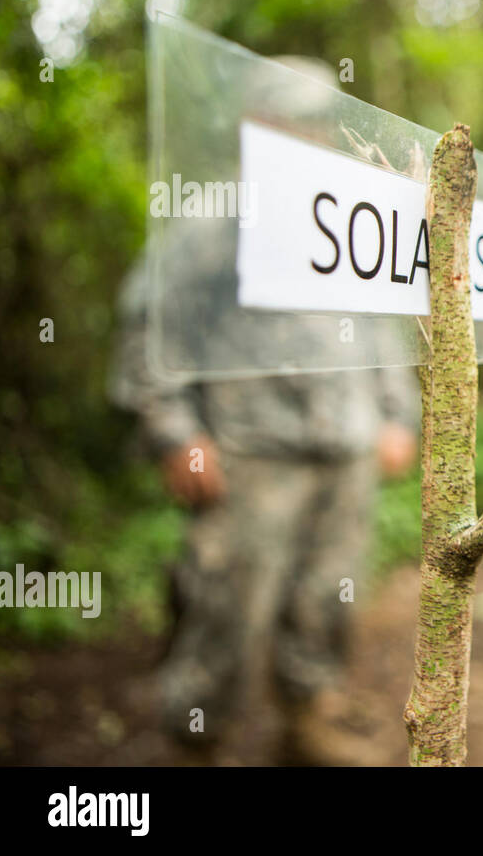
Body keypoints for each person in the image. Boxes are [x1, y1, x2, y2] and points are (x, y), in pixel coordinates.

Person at [109, 57, 420, 765]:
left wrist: (396, 413)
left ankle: (306, 722)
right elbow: (149, 326)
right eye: (290, 121)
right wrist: (174, 434)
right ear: (258, 124)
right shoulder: (215, 218)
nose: (305, 136)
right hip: (249, 452)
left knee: (328, 599)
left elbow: (379, 321)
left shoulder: (344, 216)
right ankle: (197, 743)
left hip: (344, 446)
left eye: (316, 123)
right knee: (226, 609)